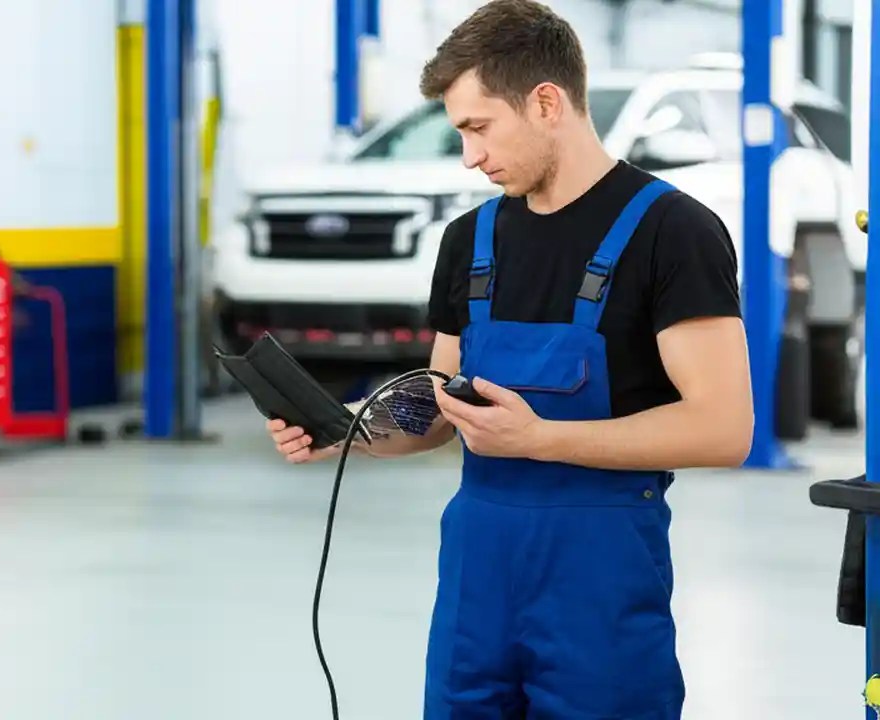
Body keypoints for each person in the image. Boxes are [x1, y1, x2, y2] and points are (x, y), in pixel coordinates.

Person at [265, 1, 755, 717]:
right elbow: (434, 407)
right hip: (476, 583)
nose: (470, 155)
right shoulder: (470, 241)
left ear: (547, 103)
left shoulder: (673, 233)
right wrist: (344, 428)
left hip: (599, 587)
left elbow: (724, 428)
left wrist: (543, 438)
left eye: (478, 127)